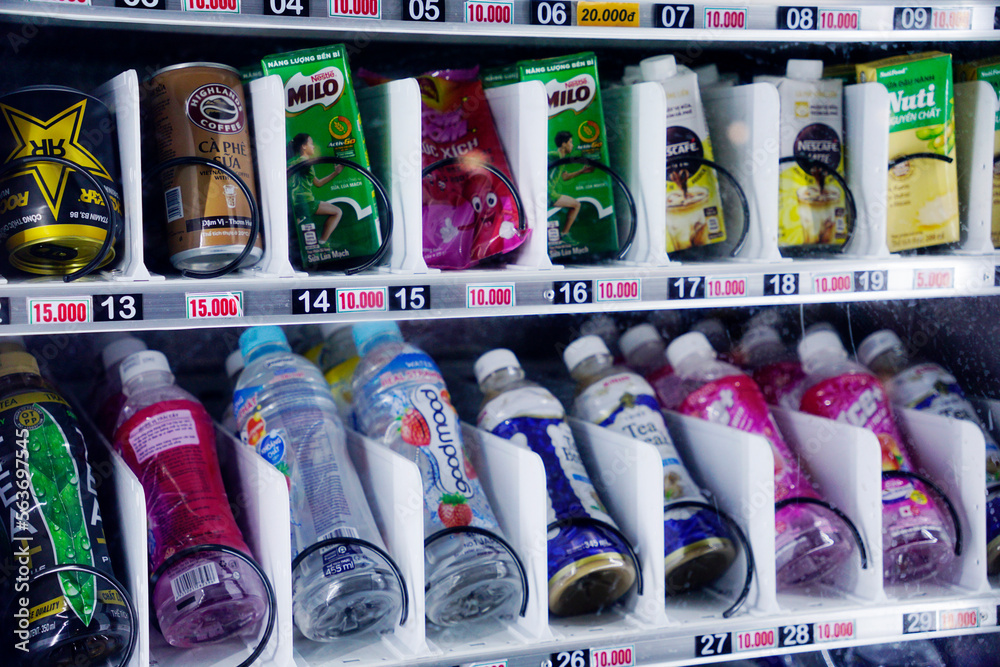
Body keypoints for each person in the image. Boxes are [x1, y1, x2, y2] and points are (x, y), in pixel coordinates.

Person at [288, 133, 345, 245]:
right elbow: (298, 165)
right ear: (304, 146)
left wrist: (336, 173)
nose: (313, 146)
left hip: (296, 203)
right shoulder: (304, 161)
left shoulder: (301, 162)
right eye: (311, 143)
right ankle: (322, 242)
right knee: (338, 212)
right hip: (307, 202)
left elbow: (318, 183)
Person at [548, 131, 594, 240]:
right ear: (564, 144)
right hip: (548, 194)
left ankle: (563, 234)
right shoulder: (555, 155)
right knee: (576, 205)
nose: (572, 145)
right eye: (571, 142)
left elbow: (565, 177)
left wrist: (581, 171)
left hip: (549, 193)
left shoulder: (562, 159)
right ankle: (565, 234)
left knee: (576, 205)